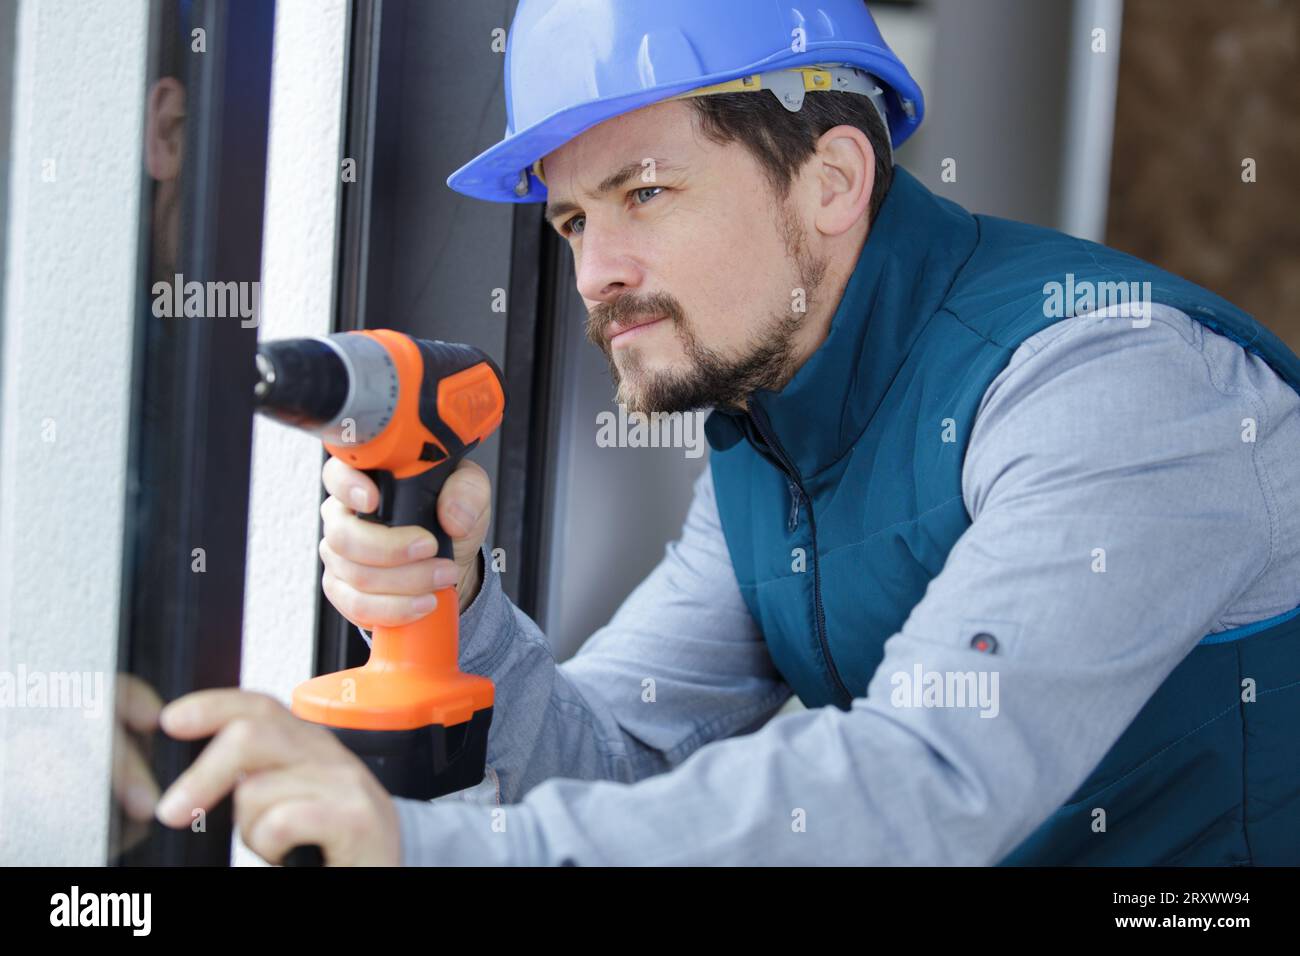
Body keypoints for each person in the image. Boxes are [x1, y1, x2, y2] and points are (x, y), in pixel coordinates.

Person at [155, 0, 1300, 865]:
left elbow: (931, 781)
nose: (595, 272)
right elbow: (618, 752)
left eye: (644, 192)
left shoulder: (1108, 379)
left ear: (832, 179)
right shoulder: (768, 428)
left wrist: (425, 847)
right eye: (570, 217)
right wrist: (460, 608)